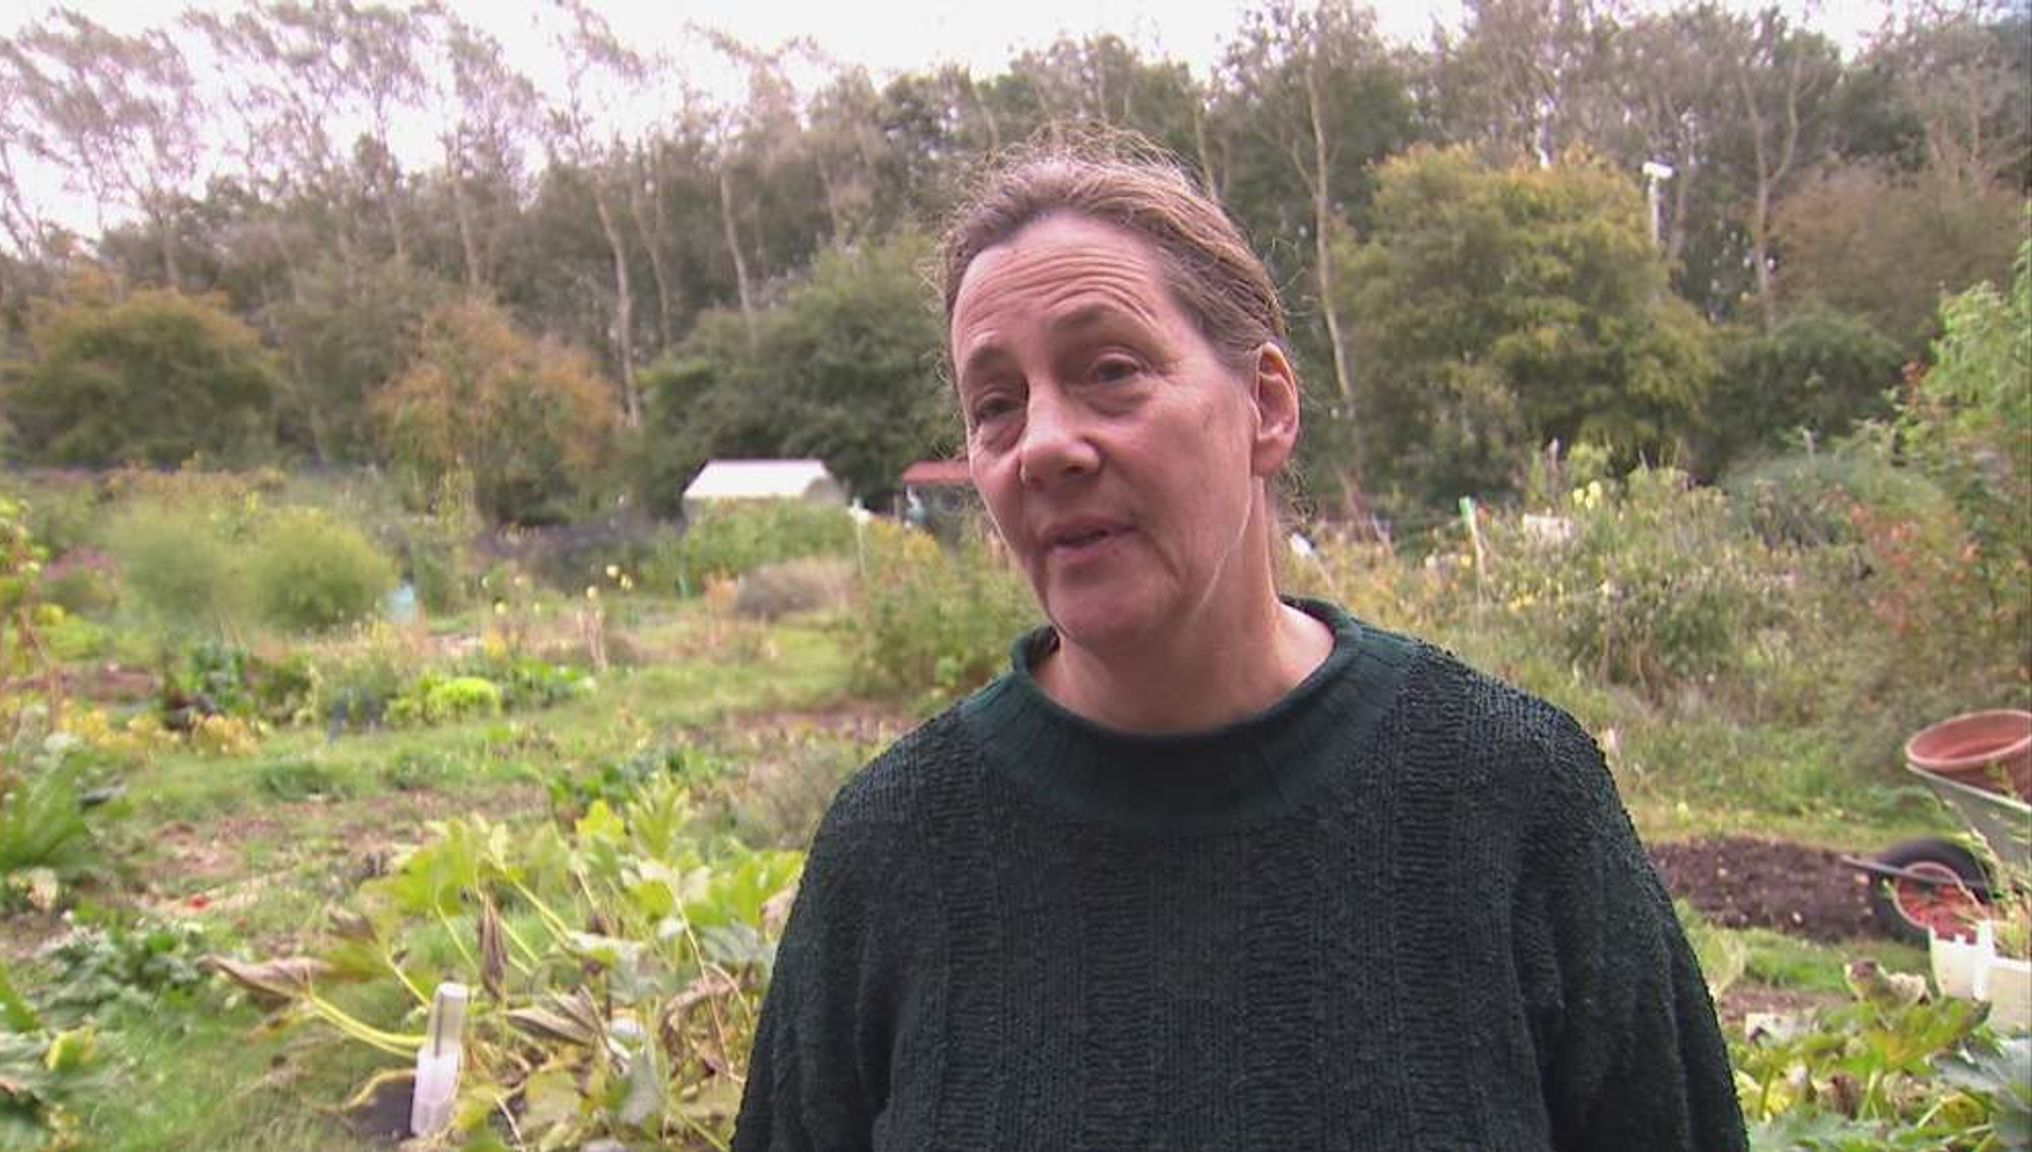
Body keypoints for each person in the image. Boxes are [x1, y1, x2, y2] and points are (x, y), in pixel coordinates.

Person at [732, 140, 1747, 1152]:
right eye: (995, 406)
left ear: (1266, 406)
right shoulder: (894, 850)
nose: (1042, 445)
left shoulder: (1510, 797)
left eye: (1110, 371)